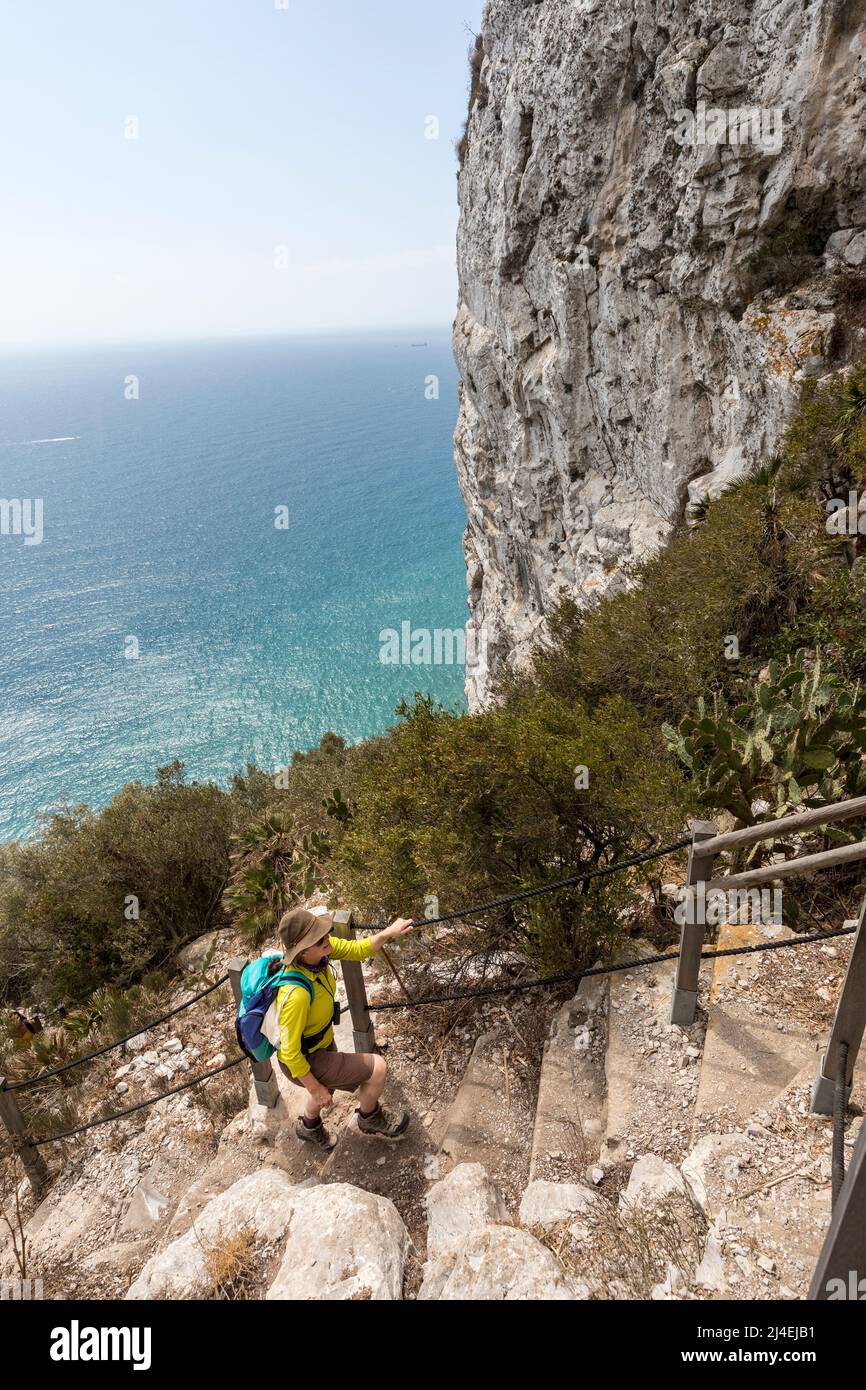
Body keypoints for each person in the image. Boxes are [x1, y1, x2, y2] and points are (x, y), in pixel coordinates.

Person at [275, 905, 413, 1150]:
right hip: (303, 1058)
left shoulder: (320, 954)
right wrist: (314, 1087)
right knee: (378, 1069)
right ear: (302, 950)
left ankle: (308, 1127)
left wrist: (388, 932)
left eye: (323, 932)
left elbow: (356, 949)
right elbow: (288, 1052)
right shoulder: (295, 995)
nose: (327, 937)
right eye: (319, 937)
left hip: (321, 1042)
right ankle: (370, 1118)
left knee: (326, 1086)